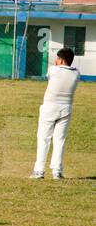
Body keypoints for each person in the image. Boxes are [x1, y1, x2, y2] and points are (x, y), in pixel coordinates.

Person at [32, 47, 80, 180]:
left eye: (57, 58)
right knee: (59, 140)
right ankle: (57, 171)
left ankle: (39, 171)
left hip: (49, 108)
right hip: (66, 108)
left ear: (61, 59)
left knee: (43, 139)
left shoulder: (53, 70)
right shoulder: (76, 73)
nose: (55, 60)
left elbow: (50, 75)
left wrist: (57, 64)